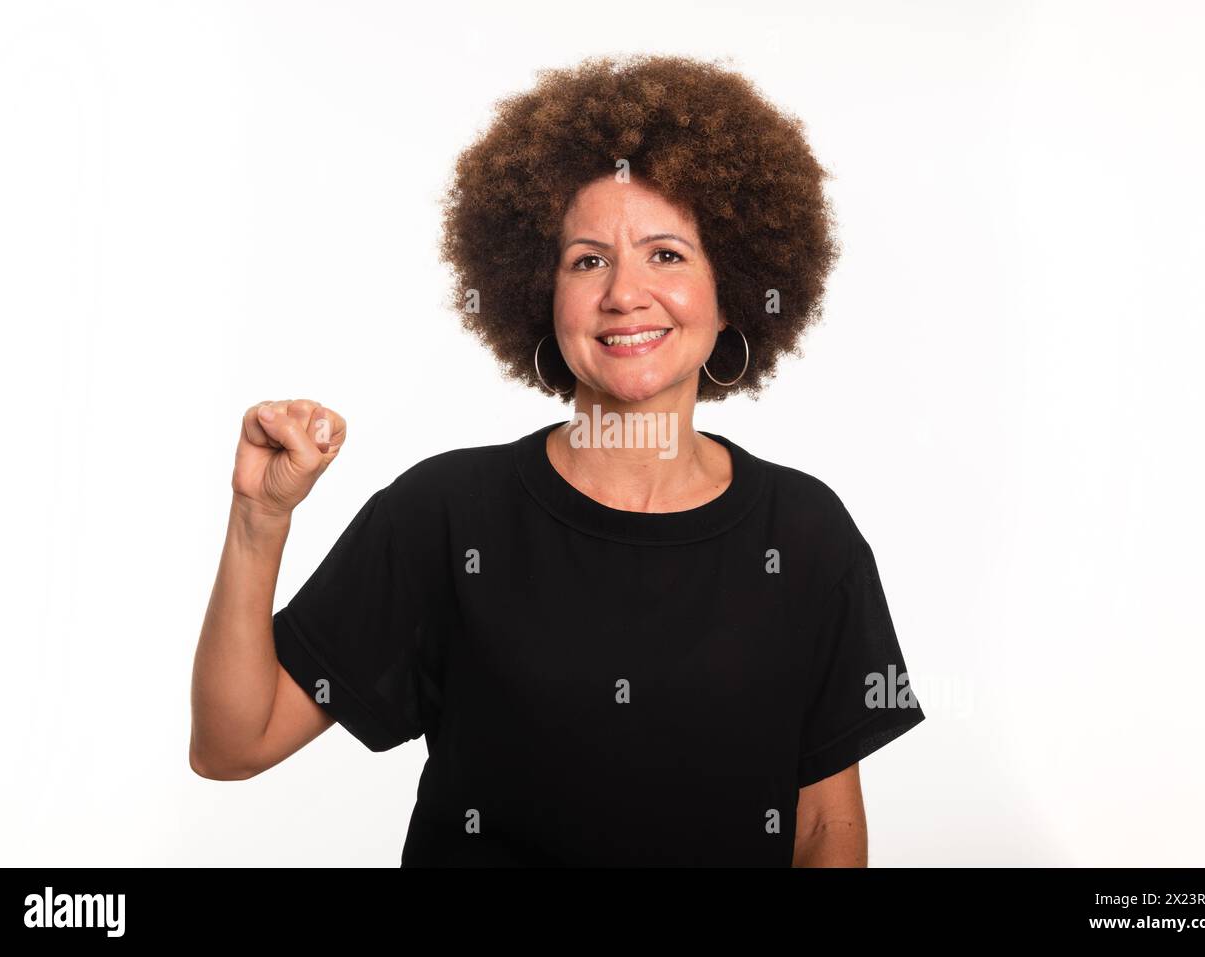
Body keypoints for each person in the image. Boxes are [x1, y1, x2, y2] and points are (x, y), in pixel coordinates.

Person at [190, 53, 926, 867]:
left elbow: (826, 826)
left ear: (734, 292)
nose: (623, 293)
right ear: (539, 295)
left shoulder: (807, 533)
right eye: (587, 260)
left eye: (668, 255)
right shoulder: (444, 513)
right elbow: (232, 744)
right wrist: (260, 519)